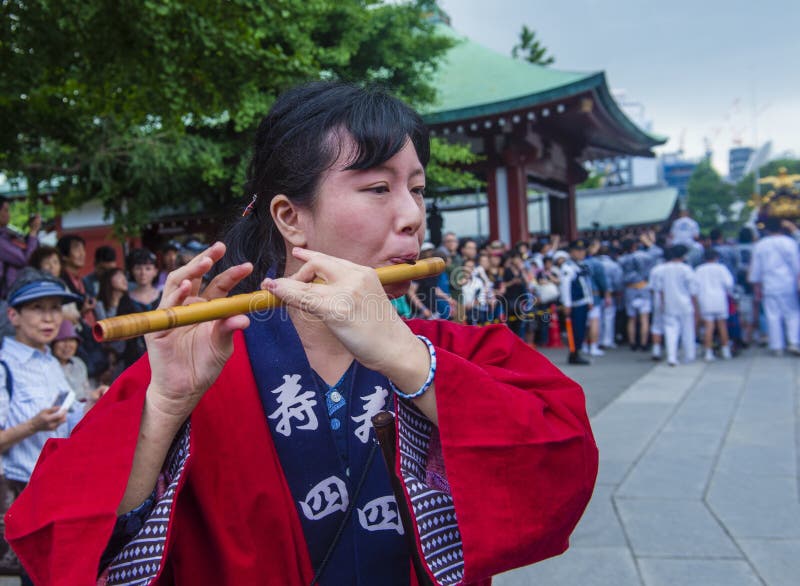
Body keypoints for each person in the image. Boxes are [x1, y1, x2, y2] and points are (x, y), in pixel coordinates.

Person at [7, 82, 597, 586]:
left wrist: (406, 358)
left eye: (416, 188)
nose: (413, 214)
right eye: (377, 187)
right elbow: (55, 544)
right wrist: (164, 406)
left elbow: (562, 468)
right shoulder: (195, 362)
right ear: (290, 217)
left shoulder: (455, 351)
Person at [748, 217, 800, 356]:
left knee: (772, 315)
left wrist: (756, 285)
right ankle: (793, 342)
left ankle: (777, 346)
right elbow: (796, 265)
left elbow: (756, 269)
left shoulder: (760, 245)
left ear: (766, 229)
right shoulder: (789, 243)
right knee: (792, 313)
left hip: (769, 284)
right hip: (788, 283)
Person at [651, 245, 698, 366]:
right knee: (687, 330)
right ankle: (689, 354)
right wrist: (696, 306)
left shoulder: (663, 269)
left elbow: (660, 289)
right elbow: (693, 290)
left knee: (670, 330)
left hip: (669, 303)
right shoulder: (686, 269)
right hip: (685, 303)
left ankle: (671, 356)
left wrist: (662, 303)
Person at [116, 249, 162, 369]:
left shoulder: (164, 297)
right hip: (133, 357)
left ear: (155, 271)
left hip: (161, 354)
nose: (143, 273)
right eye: (138, 268)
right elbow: (120, 331)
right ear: (132, 271)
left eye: (147, 268)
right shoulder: (125, 300)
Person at [695, 249, 734, 361]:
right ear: (716, 257)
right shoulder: (721, 268)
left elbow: (695, 287)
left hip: (705, 299)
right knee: (722, 325)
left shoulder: (699, 270)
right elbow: (729, 284)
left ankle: (708, 352)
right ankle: (726, 350)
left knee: (709, 326)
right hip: (720, 299)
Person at [559, 240, 593, 365]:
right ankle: (574, 353)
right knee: (576, 329)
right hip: (575, 303)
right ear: (572, 252)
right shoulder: (567, 266)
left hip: (583, 301)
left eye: (583, 250)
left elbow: (586, 285)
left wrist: (589, 300)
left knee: (582, 328)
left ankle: (577, 351)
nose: (581, 253)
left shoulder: (581, 265)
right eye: (578, 251)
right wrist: (567, 304)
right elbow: (565, 287)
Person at [0, 198, 40, 298]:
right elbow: (26, 259)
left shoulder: (8, 233)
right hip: (8, 297)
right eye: (5, 210)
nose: (8, 214)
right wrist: (33, 231)